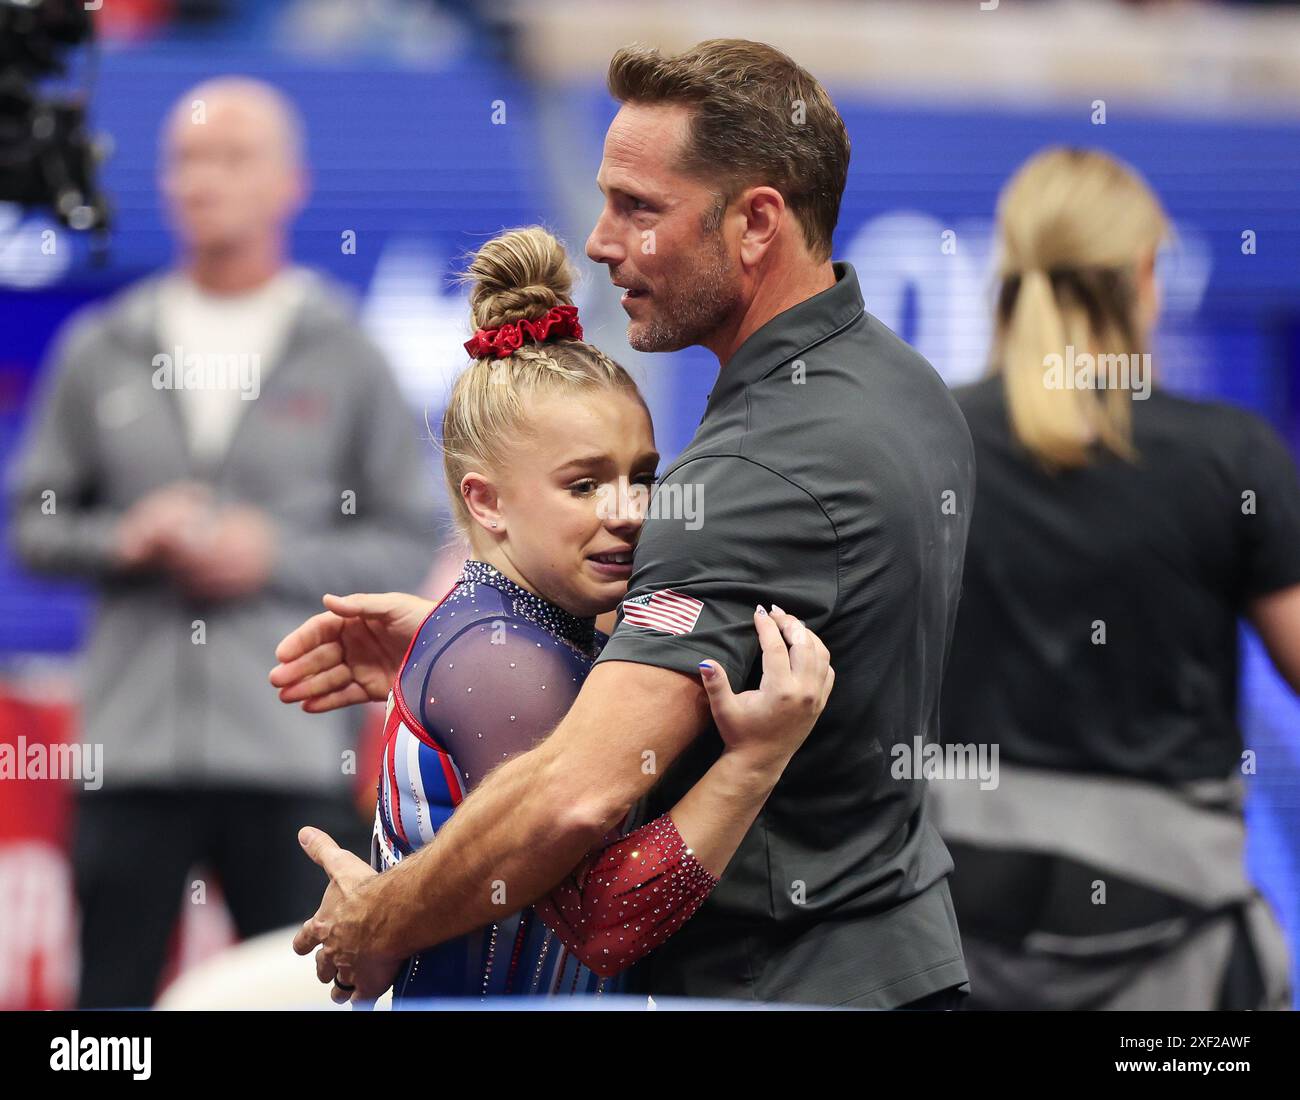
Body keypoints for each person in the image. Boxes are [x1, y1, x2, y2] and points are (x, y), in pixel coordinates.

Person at [280, 39, 974, 1009]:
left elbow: (576, 814)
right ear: (483, 500)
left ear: (756, 222)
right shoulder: (909, 390)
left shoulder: (746, 473)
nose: (601, 241)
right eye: (581, 483)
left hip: (777, 985)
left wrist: (377, 918)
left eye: (639, 208)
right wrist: (491, 639)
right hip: (896, 957)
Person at [278, 226, 833, 1001]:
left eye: (642, 478)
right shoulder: (504, 660)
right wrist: (753, 764)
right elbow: (604, 923)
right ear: (487, 501)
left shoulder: (512, 637)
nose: (628, 511)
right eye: (583, 485)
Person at [6, 77, 438, 1008]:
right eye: (190, 158)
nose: (207, 180)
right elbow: (31, 524)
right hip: (130, 748)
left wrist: (269, 554)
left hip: (288, 748)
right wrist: (128, 538)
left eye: (234, 157)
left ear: (292, 183)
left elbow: (407, 539)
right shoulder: (102, 345)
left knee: (308, 992)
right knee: (107, 1011)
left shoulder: (345, 351)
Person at [932, 147, 1300, 1010]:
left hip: (957, 917)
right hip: (1172, 936)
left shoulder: (929, 438)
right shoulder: (1229, 454)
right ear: (1143, 275)